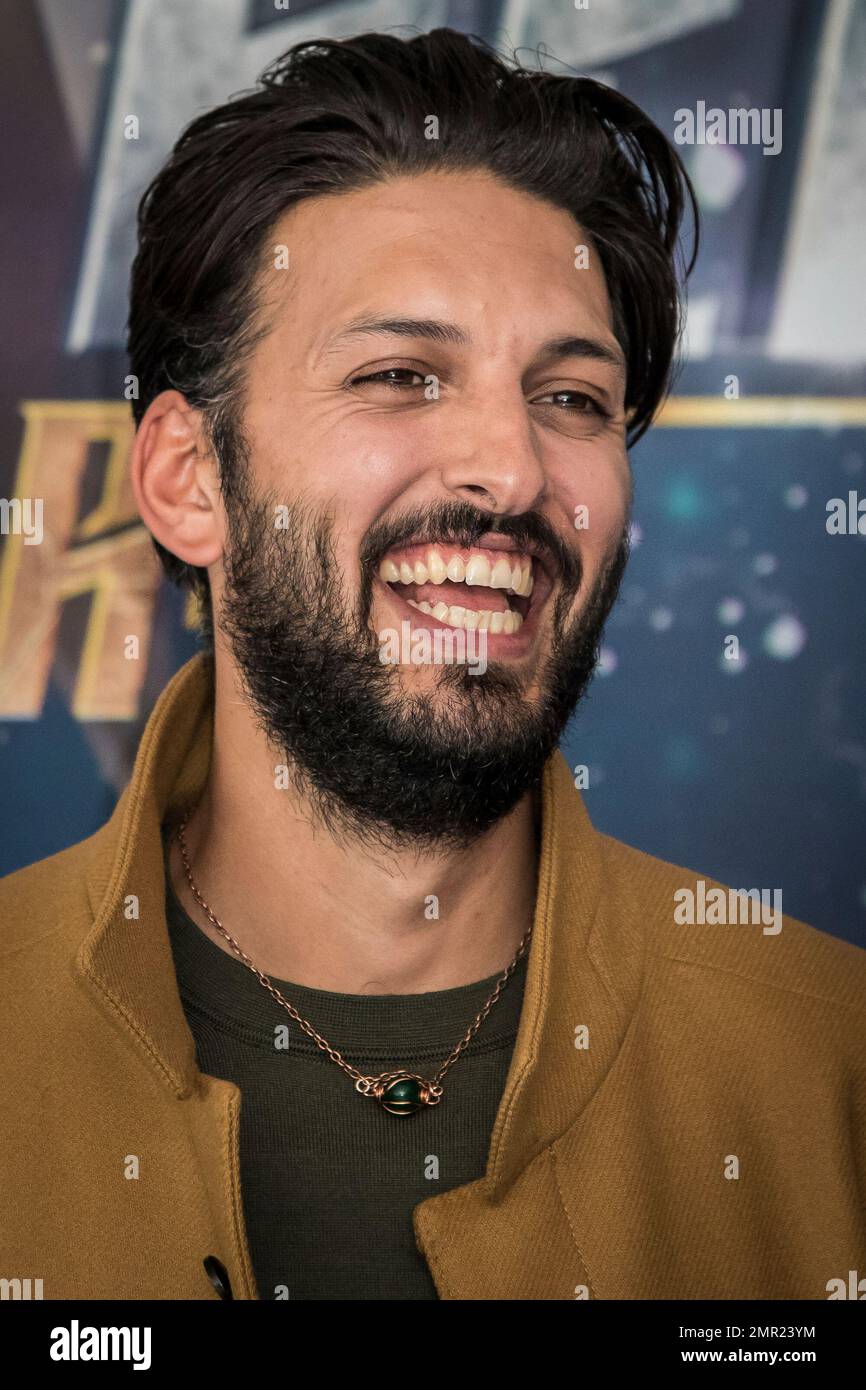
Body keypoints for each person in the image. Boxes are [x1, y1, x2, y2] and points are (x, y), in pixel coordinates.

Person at [1, 28, 864, 1302]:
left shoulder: (827, 1064)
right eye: (400, 375)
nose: (511, 472)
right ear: (189, 481)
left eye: (571, 398)